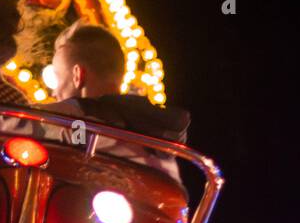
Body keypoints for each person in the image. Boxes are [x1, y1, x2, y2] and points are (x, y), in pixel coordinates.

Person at [45, 21, 191, 180]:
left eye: (57, 79)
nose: (54, 92)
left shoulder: (70, 117)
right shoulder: (163, 146)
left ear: (77, 75)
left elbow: (19, 124)